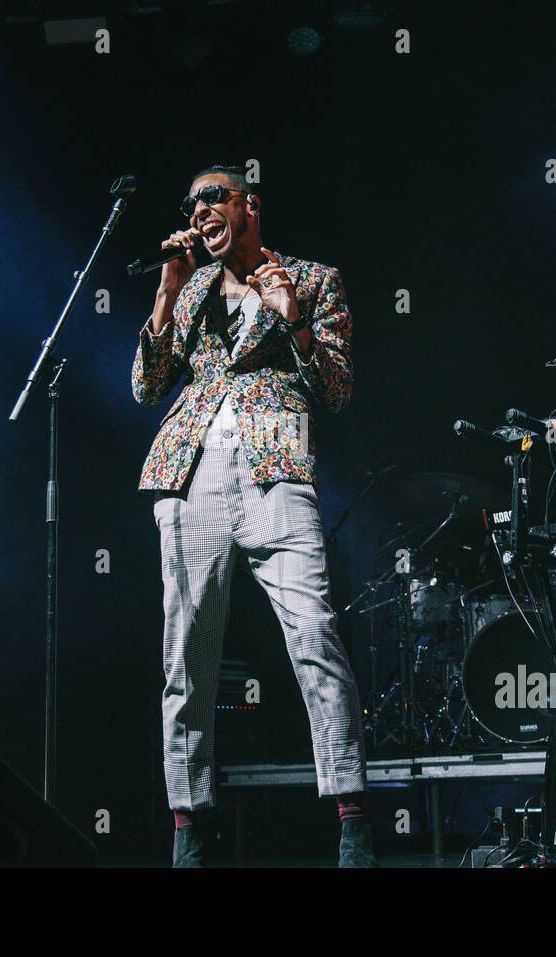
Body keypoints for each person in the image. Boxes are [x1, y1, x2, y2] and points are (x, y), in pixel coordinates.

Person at [131, 164, 374, 867]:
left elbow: (336, 388)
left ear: (249, 205)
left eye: (213, 197)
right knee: (187, 652)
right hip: (189, 473)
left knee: (316, 633)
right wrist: (166, 294)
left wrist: (290, 311)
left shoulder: (312, 277)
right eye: (191, 202)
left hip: (278, 468)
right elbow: (147, 387)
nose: (199, 209)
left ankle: (352, 817)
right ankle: (188, 826)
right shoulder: (194, 288)